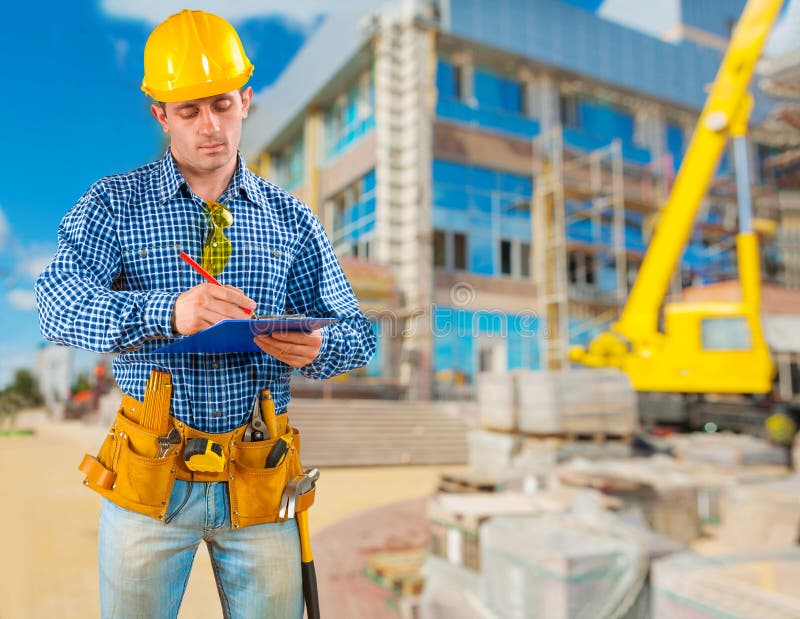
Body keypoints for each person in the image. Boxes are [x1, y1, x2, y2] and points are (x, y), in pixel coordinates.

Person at [35, 9, 376, 619]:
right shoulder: (114, 205)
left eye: (221, 104)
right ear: (160, 114)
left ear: (246, 100)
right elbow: (57, 304)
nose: (210, 126)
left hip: (261, 476)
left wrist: (320, 349)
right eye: (189, 111)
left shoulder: (290, 219)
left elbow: (356, 333)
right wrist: (167, 310)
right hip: (148, 479)